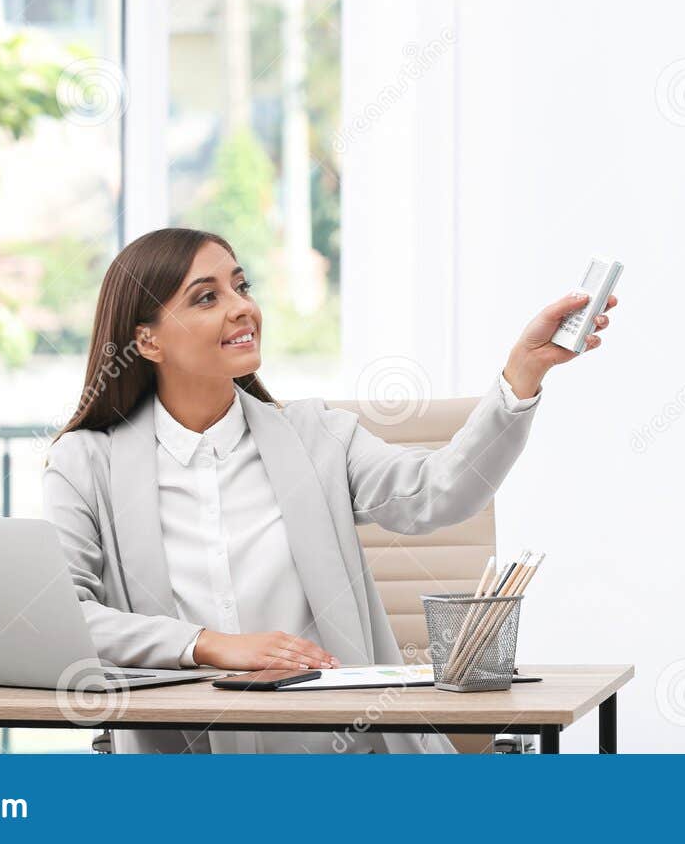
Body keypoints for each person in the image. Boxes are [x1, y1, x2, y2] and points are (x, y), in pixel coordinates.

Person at [42, 227, 616, 753]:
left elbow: (440, 494)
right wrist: (208, 643)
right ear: (147, 342)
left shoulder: (319, 436)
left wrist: (523, 373)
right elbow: (64, 617)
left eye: (241, 286)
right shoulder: (86, 463)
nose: (243, 307)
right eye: (206, 297)